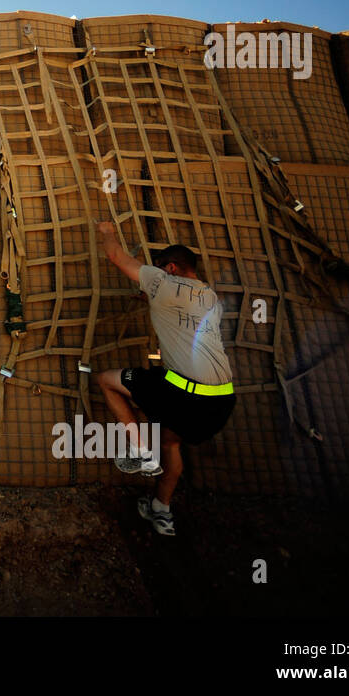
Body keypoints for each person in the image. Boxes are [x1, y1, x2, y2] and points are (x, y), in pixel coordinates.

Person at [94, 223, 236, 536]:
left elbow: (117, 256)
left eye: (160, 269)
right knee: (171, 441)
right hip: (221, 402)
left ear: (169, 268)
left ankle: (140, 449)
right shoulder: (211, 298)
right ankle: (161, 509)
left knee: (106, 380)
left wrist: (106, 231)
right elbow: (184, 318)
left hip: (185, 393)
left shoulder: (162, 282)